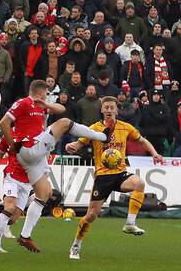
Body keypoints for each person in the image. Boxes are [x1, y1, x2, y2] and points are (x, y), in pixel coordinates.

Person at [0, 79, 107, 252]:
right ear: (41, 91)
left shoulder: (40, 105)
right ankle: (101, 136)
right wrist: (11, 144)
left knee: (44, 194)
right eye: (46, 93)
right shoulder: (23, 102)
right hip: (29, 148)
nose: (47, 96)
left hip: (33, 158)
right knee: (64, 123)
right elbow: (3, 122)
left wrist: (46, 104)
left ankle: (25, 236)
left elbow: (61, 109)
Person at [63, 95, 164, 260]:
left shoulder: (125, 127)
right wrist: (72, 145)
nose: (109, 110)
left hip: (120, 174)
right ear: (102, 109)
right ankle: (76, 244)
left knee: (139, 183)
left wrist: (154, 153)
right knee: (91, 215)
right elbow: (79, 143)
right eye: (106, 107)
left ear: (117, 110)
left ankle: (130, 223)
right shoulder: (94, 128)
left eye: (112, 107)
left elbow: (143, 141)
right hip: (102, 177)